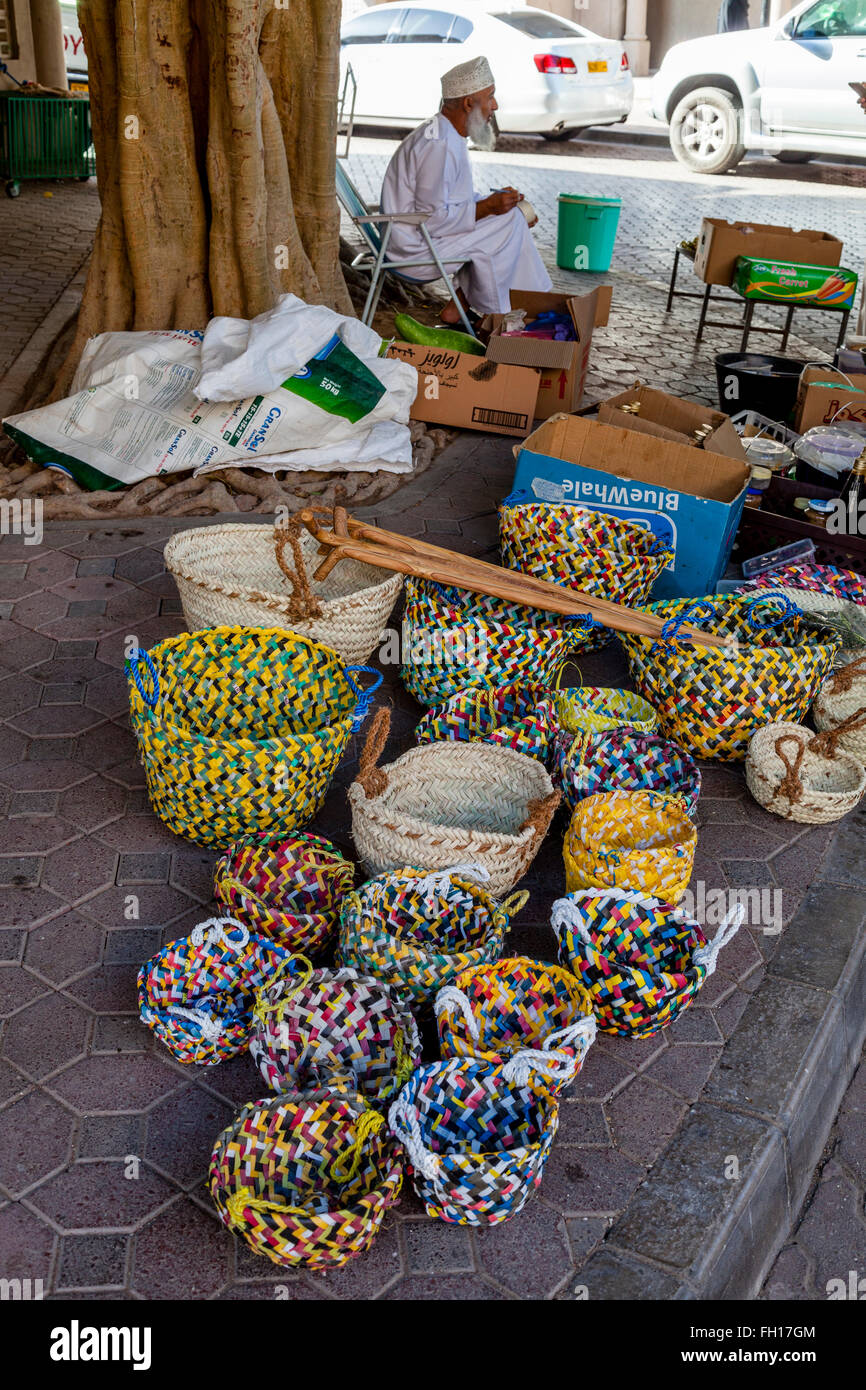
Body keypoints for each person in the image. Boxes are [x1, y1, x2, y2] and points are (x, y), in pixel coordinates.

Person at [380, 56, 552, 322]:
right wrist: (489, 207)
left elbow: (450, 202)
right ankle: (502, 314)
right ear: (469, 103)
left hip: (421, 235)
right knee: (511, 222)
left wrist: (495, 202)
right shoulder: (439, 144)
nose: (495, 105)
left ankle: (469, 309)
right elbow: (434, 220)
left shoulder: (447, 133)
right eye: (490, 97)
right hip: (413, 247)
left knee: (510, 217)